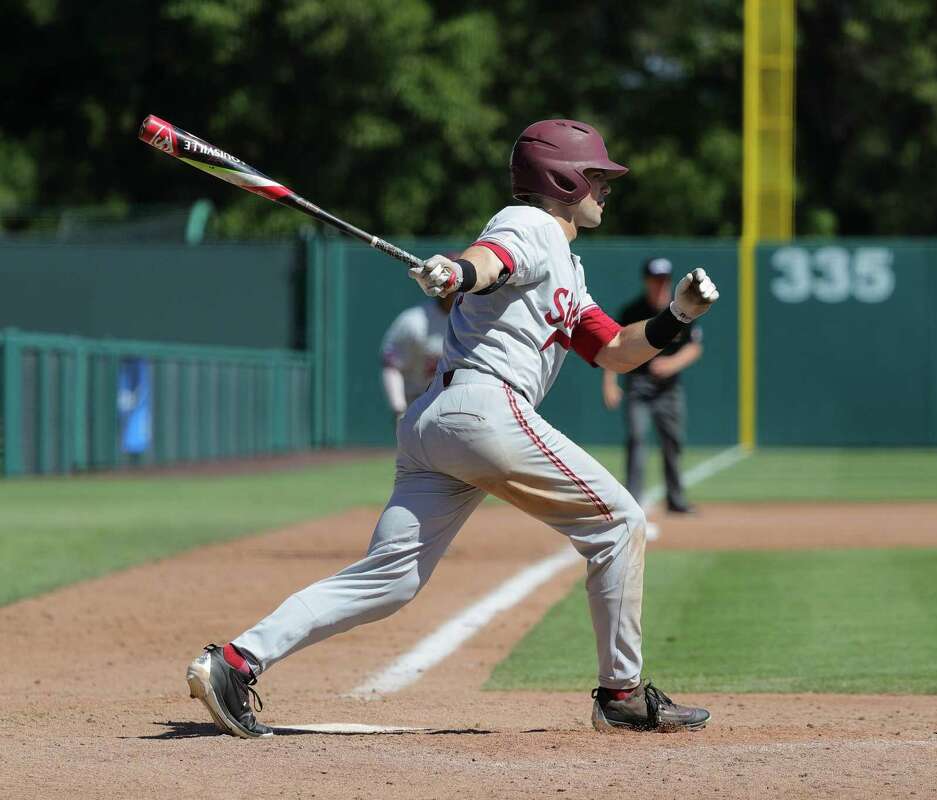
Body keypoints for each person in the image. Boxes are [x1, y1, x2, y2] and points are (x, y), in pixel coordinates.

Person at [185, 119, 720, 738]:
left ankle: (234, 661)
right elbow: (492, 259)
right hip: (483, 410)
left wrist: (676, 316)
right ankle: (622, 694)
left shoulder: (563, 264)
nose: (606, 189)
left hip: (435, 422)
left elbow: (616, 352)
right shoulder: (533, 224)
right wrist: (461, 273)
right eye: (598, 177)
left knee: (389, 580)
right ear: (563, 179)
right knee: (620, 523)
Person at [602, 257, 703, 514]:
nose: (660, 285)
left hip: (669, 388)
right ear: (646, 281)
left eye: (664, 280)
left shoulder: (681, 309)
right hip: (639, 385)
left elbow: (694, 347)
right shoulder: (632, 311)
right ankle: (632, 501)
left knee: (673, 441)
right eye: (655, 280)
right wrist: (610, 383)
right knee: (636, 438)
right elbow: (613, 346)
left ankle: (676, 499)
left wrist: (672, 364)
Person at [379, 259, 458, 420]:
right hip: (416, 403)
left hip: (453, 405)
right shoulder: (413, 322)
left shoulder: (473, 321)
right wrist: (398, 408)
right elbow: (392, 366)